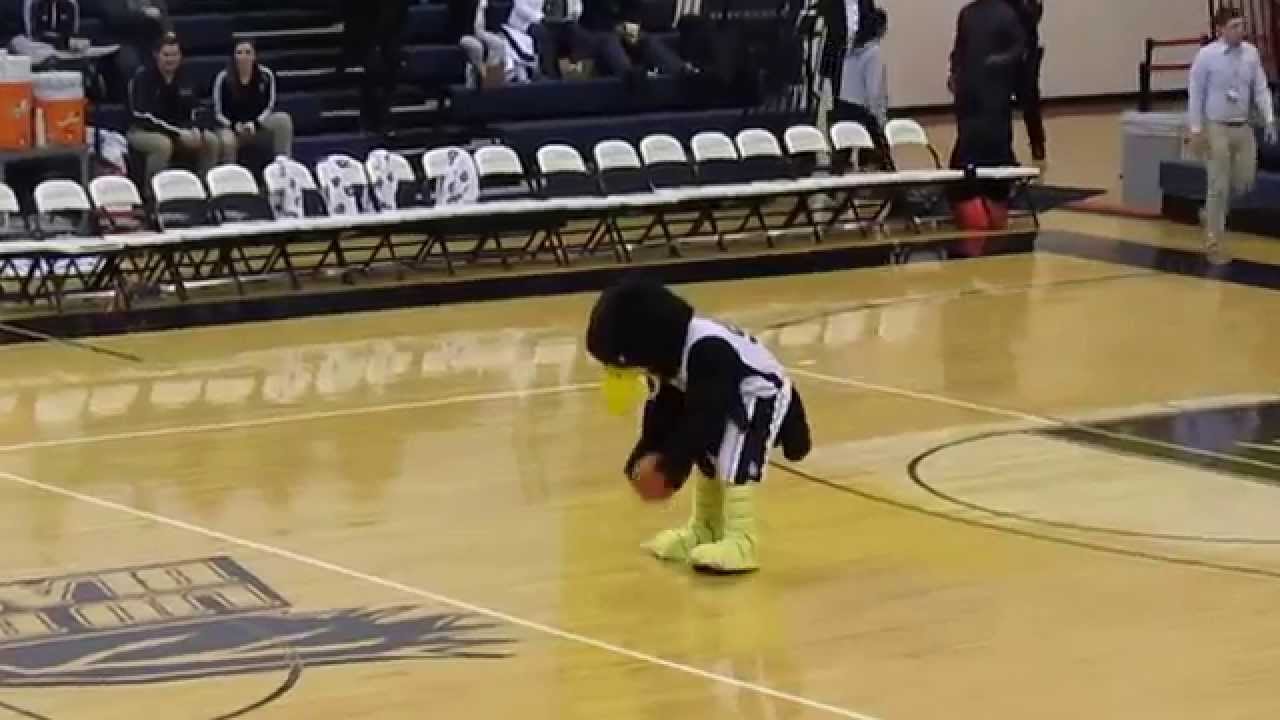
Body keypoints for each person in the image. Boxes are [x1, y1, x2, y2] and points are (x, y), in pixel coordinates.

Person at [584, 278, 812, 574]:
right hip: (722, 396)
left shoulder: (707, 350)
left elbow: (704, 418)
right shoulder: (666, 356)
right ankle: (704, 529)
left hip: (759, 394)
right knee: (707, 458)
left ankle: (742, 541)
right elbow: (664, 410)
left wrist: (670, 468)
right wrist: (645, 455)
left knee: (734, 458)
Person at [1188, 6, 1276, 263]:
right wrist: (1196, 129)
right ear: (1220, 30)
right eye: (1235, 26)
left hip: (1243, 126)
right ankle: (1214, 241)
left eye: (1243, 25)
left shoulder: (1251, 54)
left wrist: (1269, 118)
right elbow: (1196, 93)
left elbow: (1260, 87)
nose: (1241, 31)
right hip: (1216, 127)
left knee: (1244, 181)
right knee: (1218, 184)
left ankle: (1209, 212)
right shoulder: (1206, 57)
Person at [947, 0, 1025, 212]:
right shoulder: (967, 14)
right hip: (969, 88)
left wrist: (998, 61)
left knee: (995, 133)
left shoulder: (1006, 13)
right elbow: (959, 47)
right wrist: (954, 72)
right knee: (969, 134)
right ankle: (969, 180)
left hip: (994, 89)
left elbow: (1019, 47)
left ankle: (999, 182)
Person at [127, 33, 220, 184]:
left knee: (211, 140)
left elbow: (197, 108)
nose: (171, 59)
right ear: (156, 55)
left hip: (179, 129)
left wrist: (196, 128)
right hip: (143, 130)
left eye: (175, 55)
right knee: (163, 145)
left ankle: (205, 187)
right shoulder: (143, 78)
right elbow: (142, 116)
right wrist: (178, 133)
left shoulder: (187, 77)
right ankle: (153, 193)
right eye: (166, 55)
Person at [212, 40, 294, 164]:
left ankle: (283, 166)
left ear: (254, 56)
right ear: (234, 56)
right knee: (227, 141)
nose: (244, 57)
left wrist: (255, 124)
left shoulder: (266, 75)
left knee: (283, 120)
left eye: (248, 52)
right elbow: (218, 112)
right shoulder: (223, 78)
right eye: (239, 53)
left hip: (258, 126)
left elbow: (270, 105)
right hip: (232, 127)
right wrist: (234, 125)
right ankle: (231, 176)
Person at [1004, 0, 1045, 172]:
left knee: (1030, 100)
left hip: (1026, 51)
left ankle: (1037, 142)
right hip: (1003, 49)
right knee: (1000, 101)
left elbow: (1034, 14)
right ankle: (1004, 148)